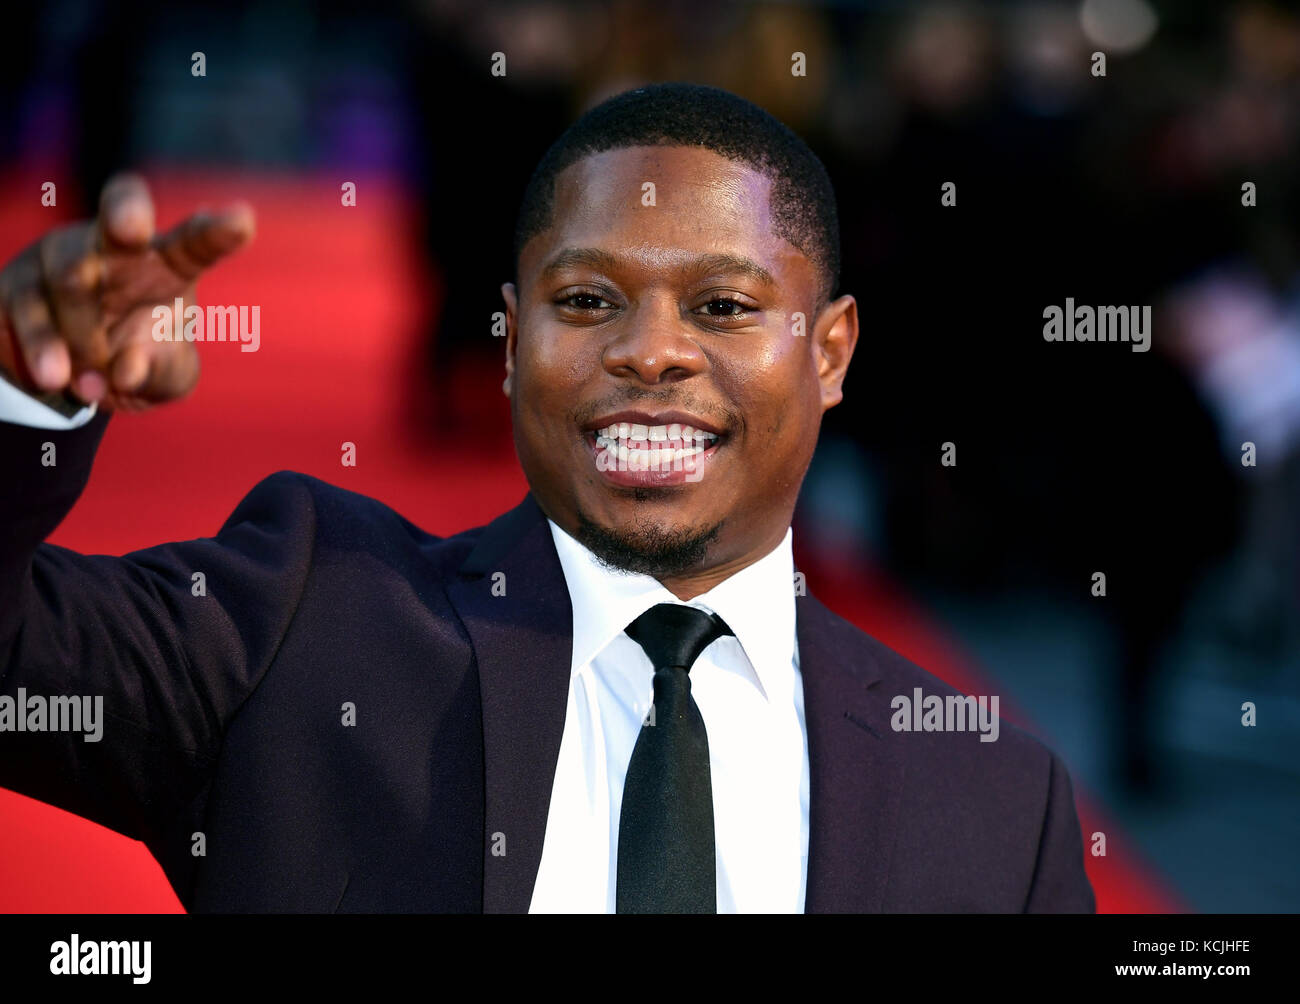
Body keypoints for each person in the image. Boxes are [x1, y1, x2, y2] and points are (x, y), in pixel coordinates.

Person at [0, 83, 1094, 913]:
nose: (650, 351)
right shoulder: (296, 622)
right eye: (586, 298)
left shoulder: (993, 798)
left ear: (831, 349)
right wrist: (23, 393)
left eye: (720, 304)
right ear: (514, 340)